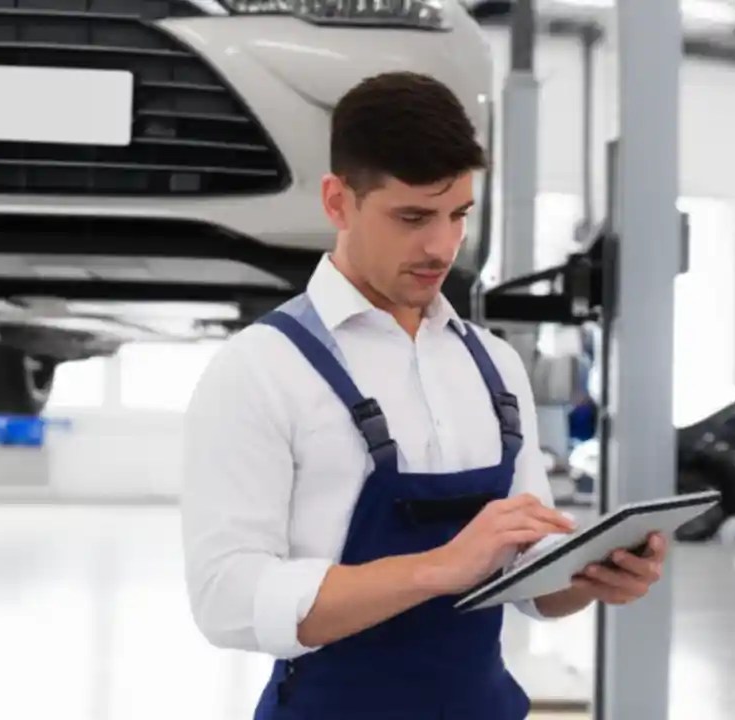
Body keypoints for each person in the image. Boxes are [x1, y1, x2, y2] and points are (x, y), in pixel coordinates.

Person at [182, 71, 668, 720]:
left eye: (457, 215)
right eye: (411, 217)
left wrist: (584, 575)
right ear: (338, 202)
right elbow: (226, 598)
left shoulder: (494, 367)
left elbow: (527, 577)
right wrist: (437, 567)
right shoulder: (261, 369)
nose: (441, 246)